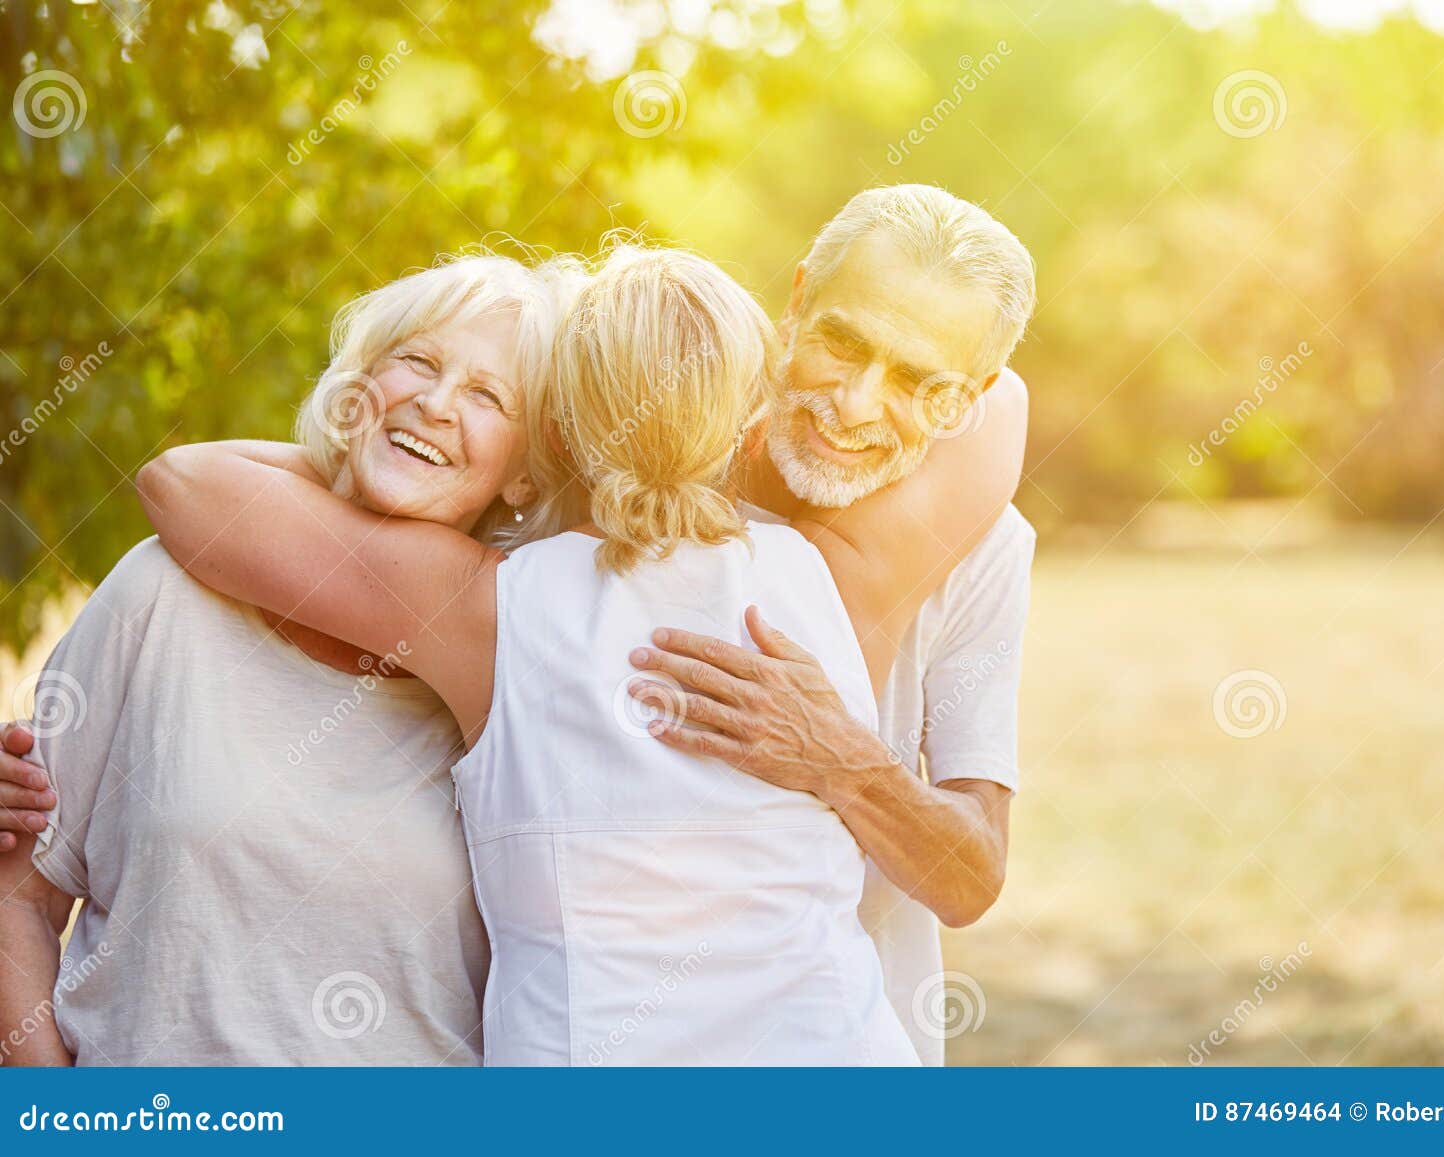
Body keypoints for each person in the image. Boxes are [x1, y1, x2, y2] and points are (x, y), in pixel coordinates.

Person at [133, 243, 1024, 1064]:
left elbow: (184, 482)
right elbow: (1003, 399)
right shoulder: (833, 578)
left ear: (550, 433)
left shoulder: (482, 605)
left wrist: (374, 451)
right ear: (751, 423)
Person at [0, 253, 585, 1065]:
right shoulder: (161, 591)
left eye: (489, 396)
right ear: (358, 384)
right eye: (417, 360)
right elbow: (15, 897)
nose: (437, 403)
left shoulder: (514, 667)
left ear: (524, 473)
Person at [622, 185, 1037, 1064]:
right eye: (842, 344)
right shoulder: (658, 455)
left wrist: (841, 762)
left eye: (924, 383)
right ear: (798, 296)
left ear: (977, 397)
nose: (854, 405)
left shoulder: (988, 547)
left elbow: (970, 879)